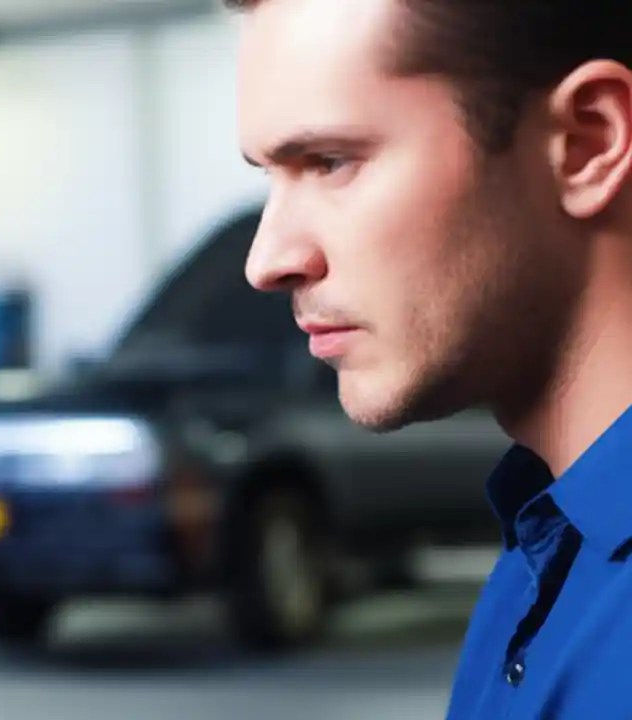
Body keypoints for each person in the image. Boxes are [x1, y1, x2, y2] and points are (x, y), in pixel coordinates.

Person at [225, 0, 632, 717]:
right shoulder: (543, 554)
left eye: (330, 161)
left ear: (586, 142)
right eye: (270, 176)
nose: (268, 261)